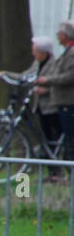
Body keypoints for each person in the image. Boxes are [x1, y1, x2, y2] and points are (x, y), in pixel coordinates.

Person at [0, 35, 59, 156]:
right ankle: (52, 168)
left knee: (54, 137)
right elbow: (24, 75)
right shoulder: (37, 64)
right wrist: (5, 74)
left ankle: (59, 165)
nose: (34, 54)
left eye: (36, 52)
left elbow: (57, 81)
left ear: (44, 52)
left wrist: (46, 90)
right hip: (40, 106)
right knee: (46, 136)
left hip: (51, 106)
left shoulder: (55, 64)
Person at [37, 21, 74, 164]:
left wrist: (47, 80)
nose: (57, 36)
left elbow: (70, 76)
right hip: (62, 101)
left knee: (70, 138)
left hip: (68, 102)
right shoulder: (66, 53)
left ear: (66, 35)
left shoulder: (71, 53)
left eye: (59, 33)